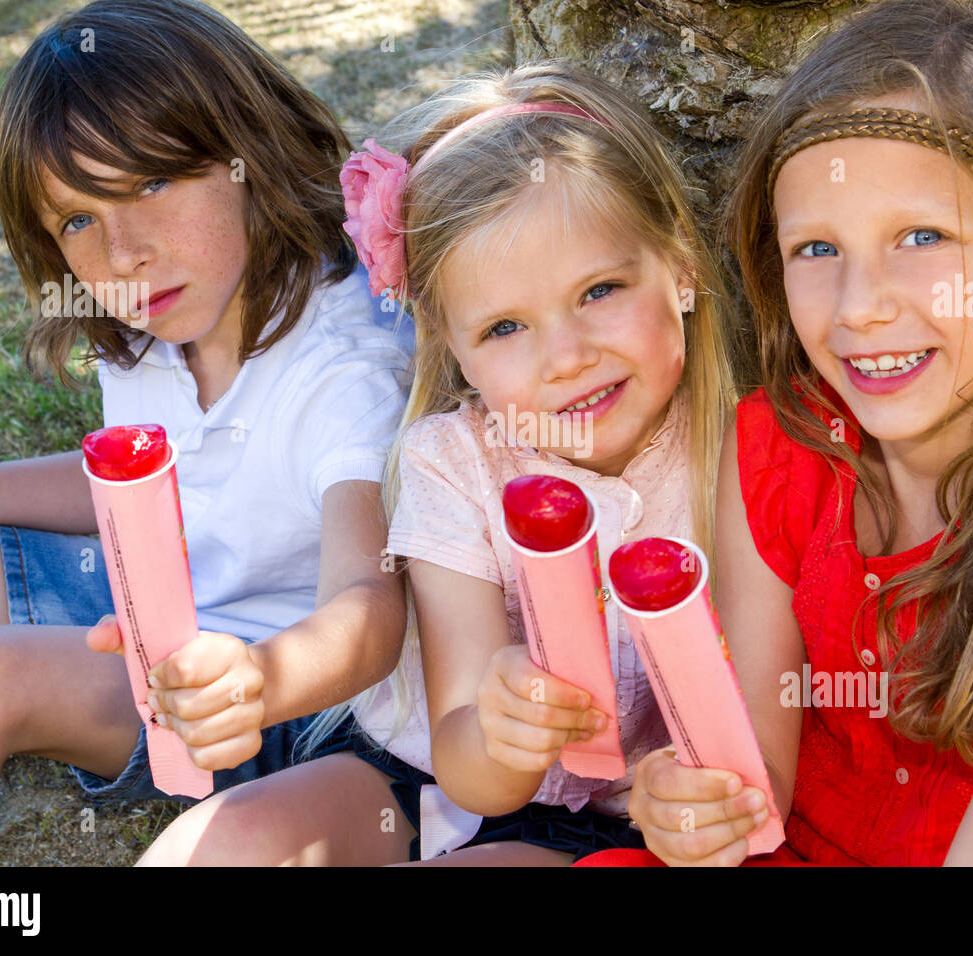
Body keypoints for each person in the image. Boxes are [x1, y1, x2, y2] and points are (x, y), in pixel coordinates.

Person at [578, 0, 973, 866]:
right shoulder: (775, 451)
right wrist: (696, 807)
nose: (861, 305)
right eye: (817, 249)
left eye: (923, 236)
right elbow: (756, 788)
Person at [135, 60, 741, 865]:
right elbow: (466, 762)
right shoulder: (452, 463)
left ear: (684, 269)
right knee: (214, 846)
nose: (566, 357)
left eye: (599, 291)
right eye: (504, 329)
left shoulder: (744, 456)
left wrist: (678, 785)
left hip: (611, 820)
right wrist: (503, 731)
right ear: (451, 348)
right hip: (426, 771)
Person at [0, 0, 412, 865]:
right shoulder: (153, 323)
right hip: (140, 604)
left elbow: (372, 610)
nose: (122, 253)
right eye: (78, 221)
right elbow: (138, 480)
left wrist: (256, 680)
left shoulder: (346, 368)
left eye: (149, 184)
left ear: (250, 149)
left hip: (273, 701)